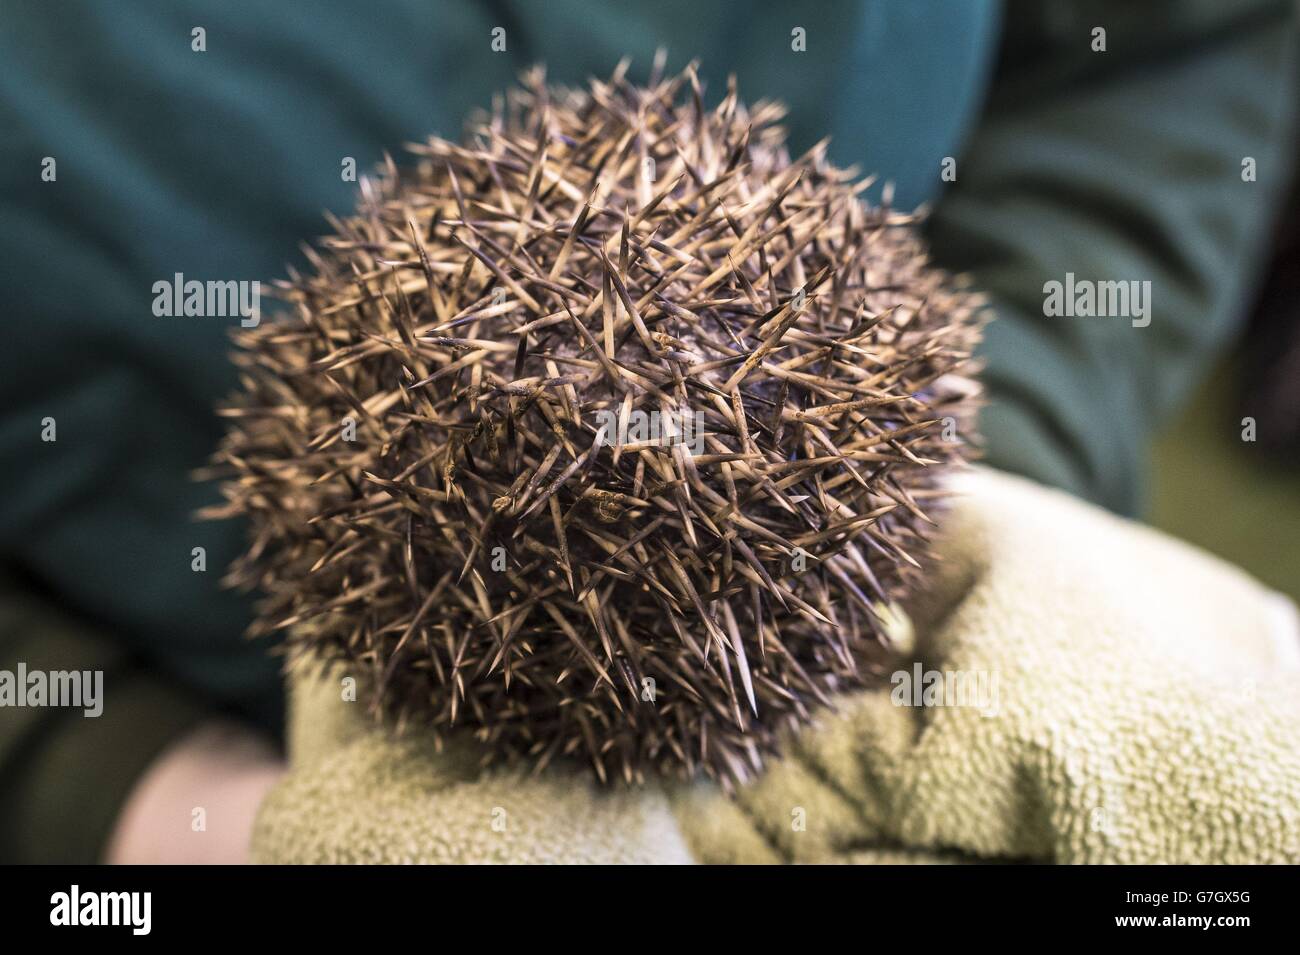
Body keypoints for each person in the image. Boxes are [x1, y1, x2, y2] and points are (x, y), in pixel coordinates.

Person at [1, 0, 1294, 863]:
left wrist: (1025, 433)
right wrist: (126, 786)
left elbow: (1167, 52)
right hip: (238, 698)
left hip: (872, 535)